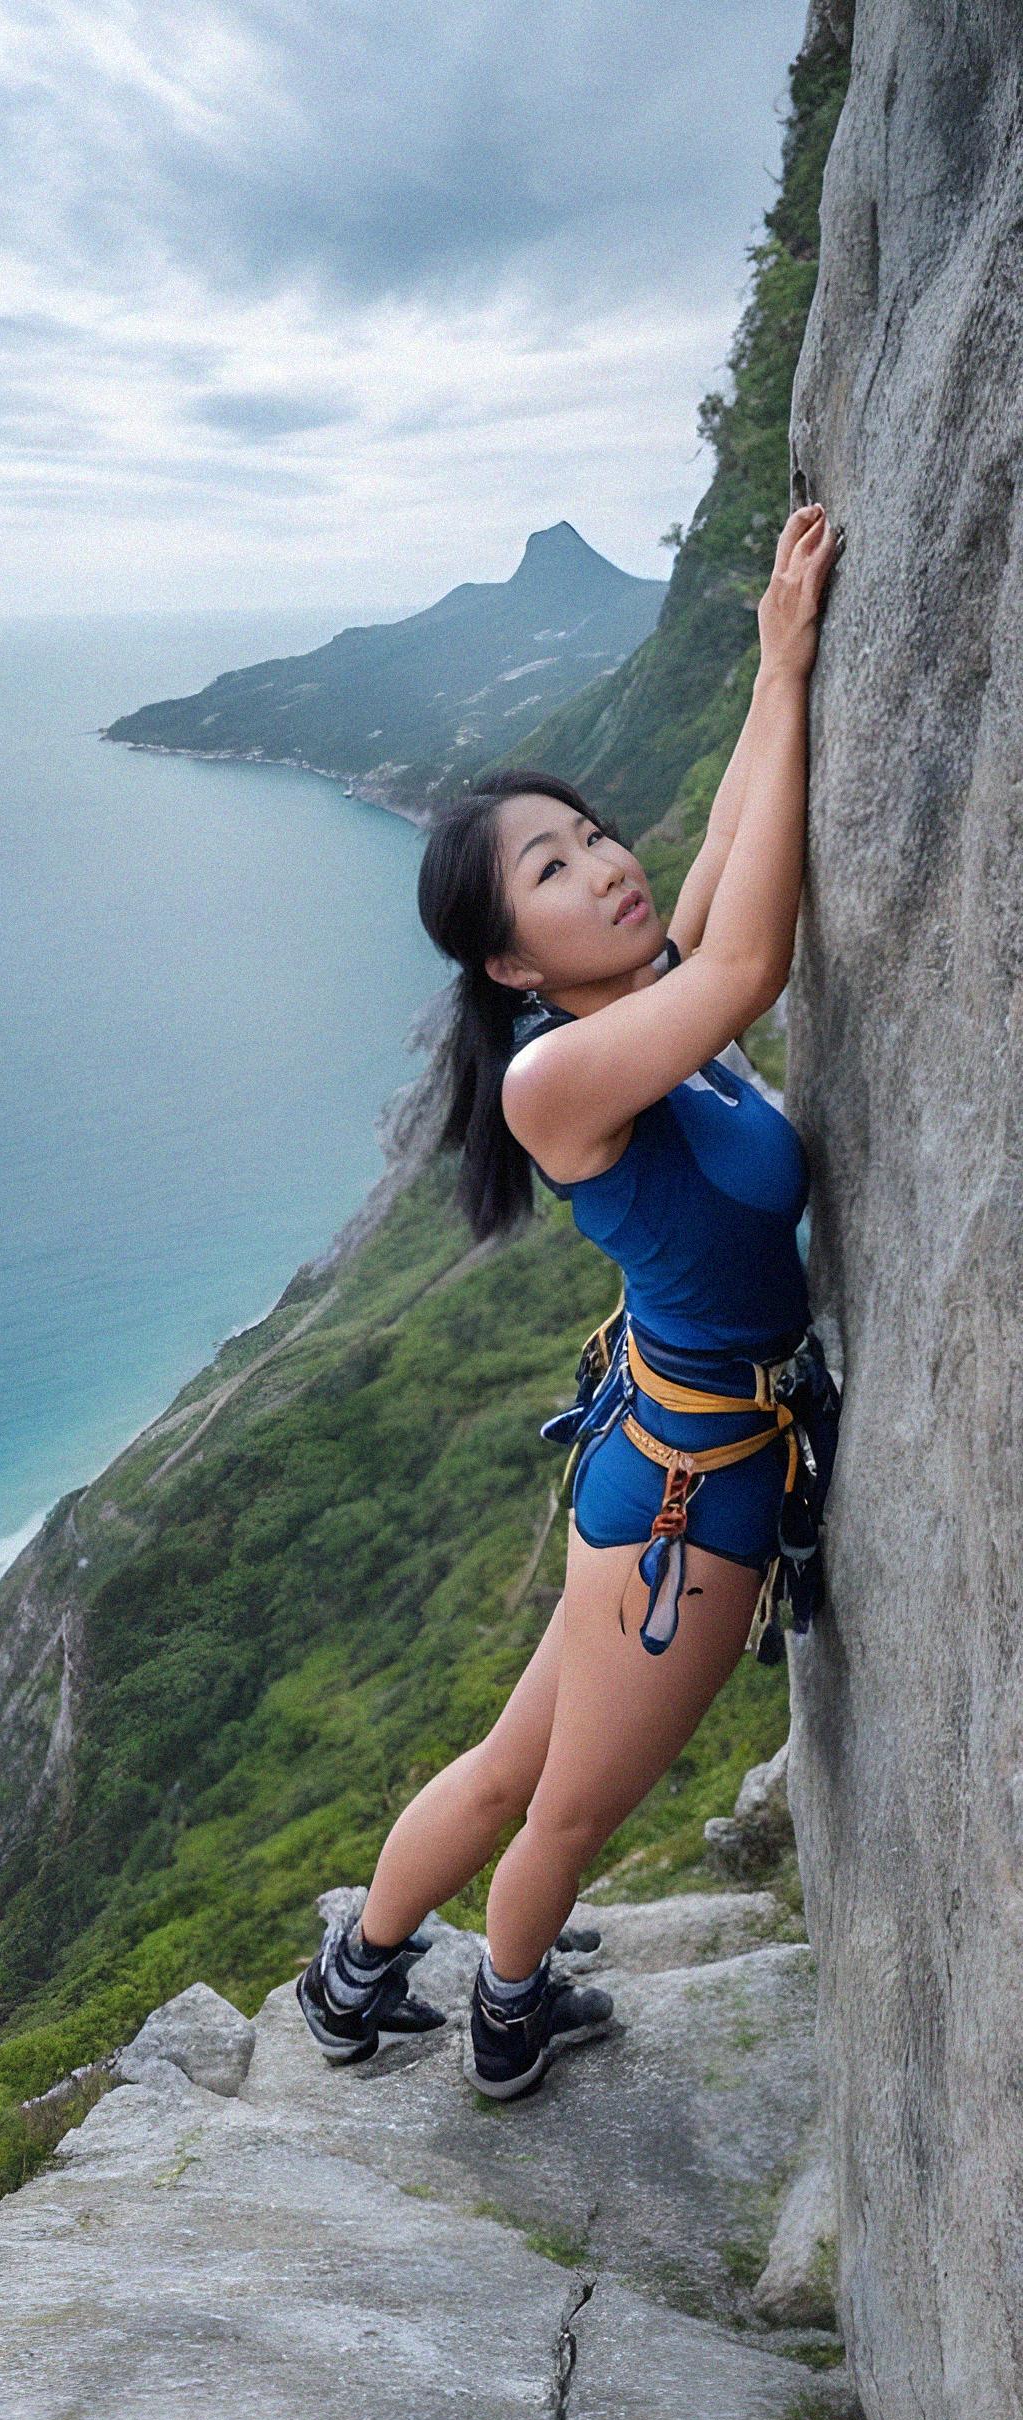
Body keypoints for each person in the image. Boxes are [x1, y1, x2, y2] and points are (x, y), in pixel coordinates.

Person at [299, 502, 842, 2102]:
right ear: (509, 966)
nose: (605, 862)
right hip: (690, 1493)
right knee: (567, 1820)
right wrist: (797, 698)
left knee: (513, 1762)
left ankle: (355, 1975)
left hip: (669, 1452)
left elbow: (726, 880)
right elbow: (751, 964)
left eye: (593, 835)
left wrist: (773, 674)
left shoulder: (635, 995)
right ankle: (510, 2011)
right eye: (553, 866)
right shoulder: (561, 1075)